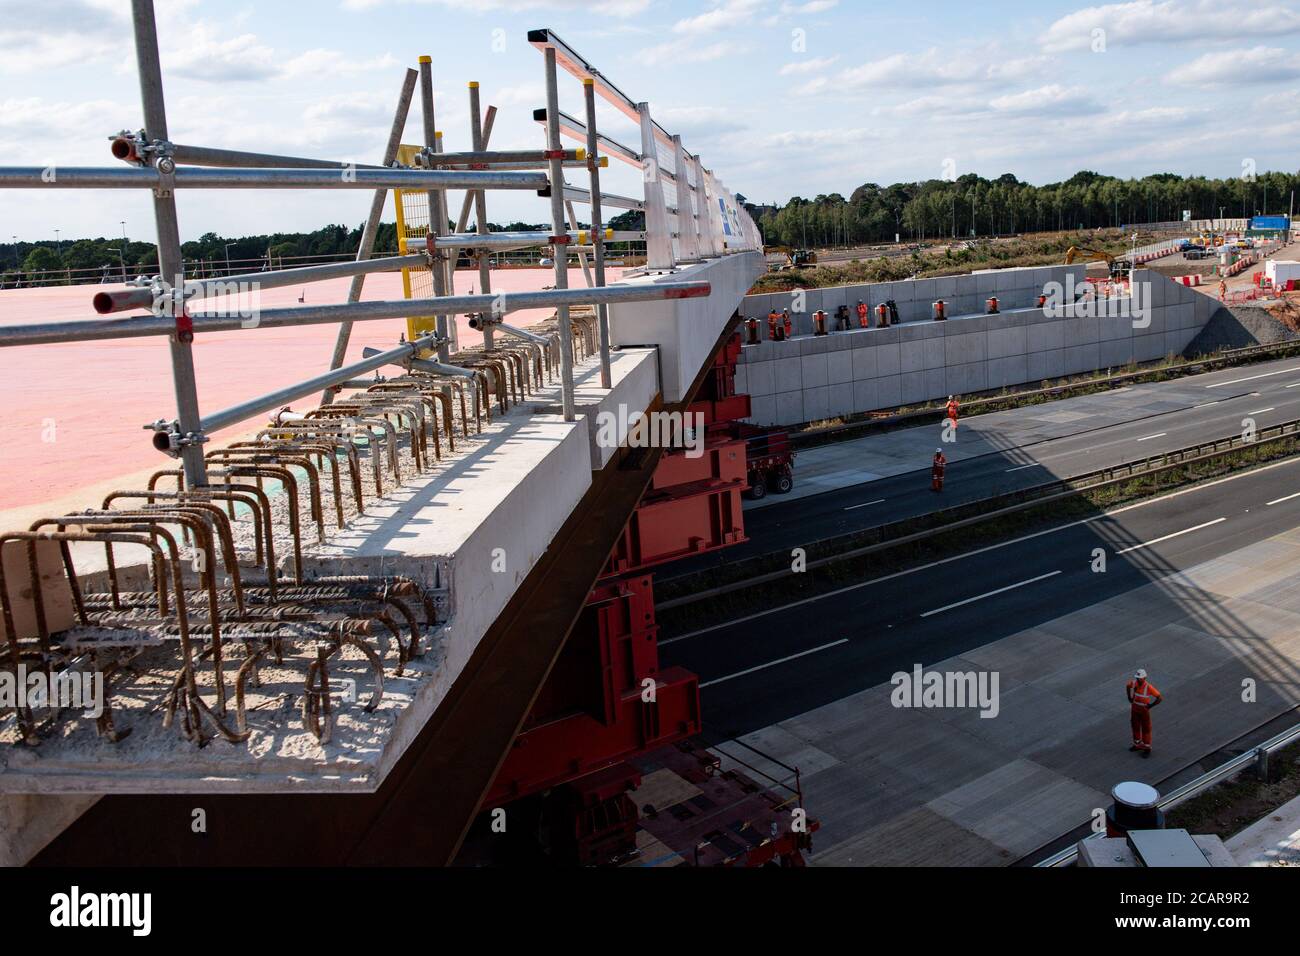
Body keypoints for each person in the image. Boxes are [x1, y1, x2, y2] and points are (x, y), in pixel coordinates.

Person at [1126, 669, 1162, 757]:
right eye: (1137, 678)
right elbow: (1127, 686)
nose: (1138, 680)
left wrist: (1150, 706)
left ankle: (1147, 748)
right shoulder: (1134, 683)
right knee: (1135, 727)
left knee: (1146, 729)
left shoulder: (1148, 687)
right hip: (1134, 709)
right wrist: (1129, 697)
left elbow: (1159, 698)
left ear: (1145, 678)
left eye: (1140, 678)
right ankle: (1137, 745)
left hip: (1144, 711)